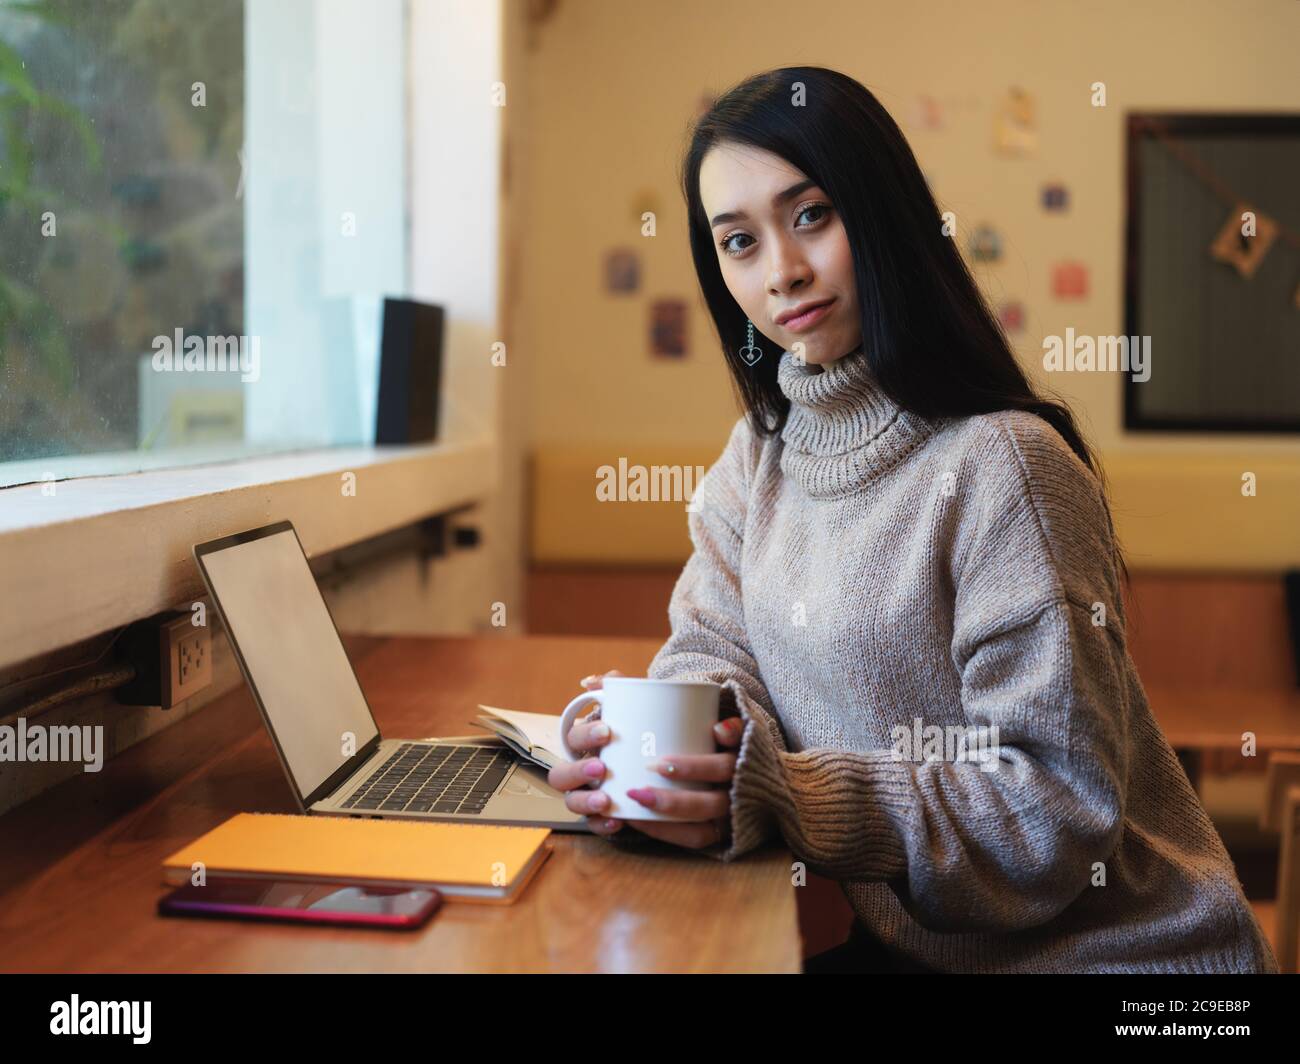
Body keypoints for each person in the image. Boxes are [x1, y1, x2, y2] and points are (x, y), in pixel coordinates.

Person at [547, 66, 1277, 974]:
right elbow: (713, 650)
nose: (783, 272)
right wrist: (652, 747)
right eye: (739, 242)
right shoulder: (759, 455)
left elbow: (1053, 811)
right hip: (932, 955)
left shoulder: (1004, 464)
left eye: (812, 214)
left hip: (1130, 971)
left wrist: (792, 796)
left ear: (884, 212)